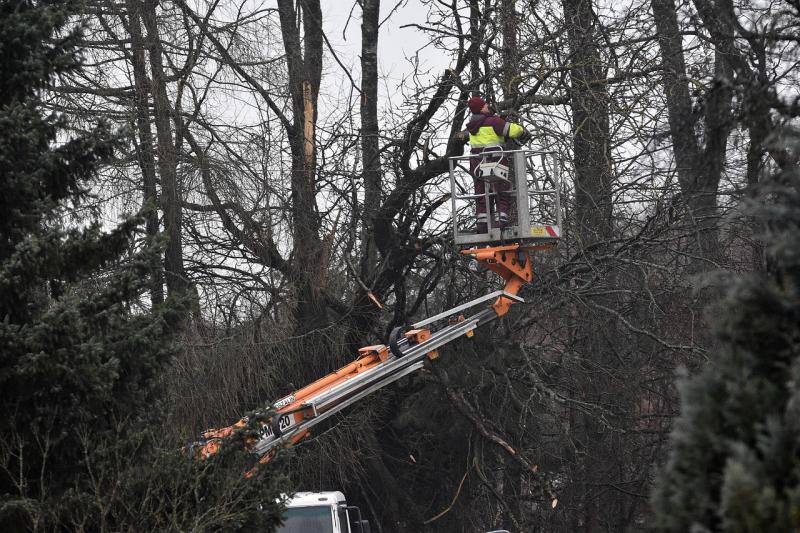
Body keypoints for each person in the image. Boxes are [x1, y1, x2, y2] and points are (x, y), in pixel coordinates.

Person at [464, 96, 528, 233]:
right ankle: (501, 221)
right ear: (481, 108)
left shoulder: (472, 126)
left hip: (477, 165)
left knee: (481, 194)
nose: (488, 106)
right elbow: (512, 130)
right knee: (501, 191)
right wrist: (521, 130)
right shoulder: (492, 122)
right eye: (485, 105)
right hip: (495, 162)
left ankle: (482, 224)